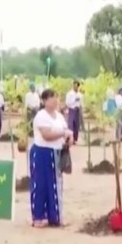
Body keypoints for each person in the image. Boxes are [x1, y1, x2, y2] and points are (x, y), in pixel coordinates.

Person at [29, 89, 73, 227]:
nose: (54, 100)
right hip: (42, 153)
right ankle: (38, 217)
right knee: (41, 185)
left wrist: (69, 138)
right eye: (51, 98)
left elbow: (67, 133)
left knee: (55, 185)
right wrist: (63, 133)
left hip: (56, 153)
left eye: (56, 97)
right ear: (44, 101)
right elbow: (47, 135)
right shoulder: (41, 116)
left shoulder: (59, 116)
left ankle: (55, 217)